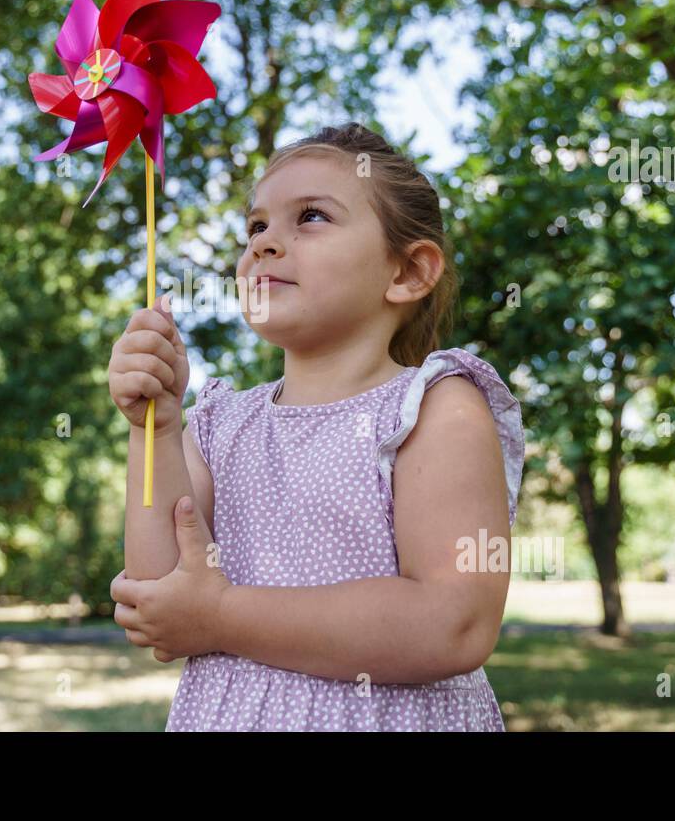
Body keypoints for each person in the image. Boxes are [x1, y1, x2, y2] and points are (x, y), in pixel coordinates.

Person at [109, 122, 524, 731]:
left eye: (311, 217)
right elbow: (159, 591)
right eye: (256, 225)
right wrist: (154, 425)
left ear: (408, 272)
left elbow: (453, 623)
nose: (265, 243)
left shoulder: (437, 407)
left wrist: (222, 614)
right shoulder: (218, 424)